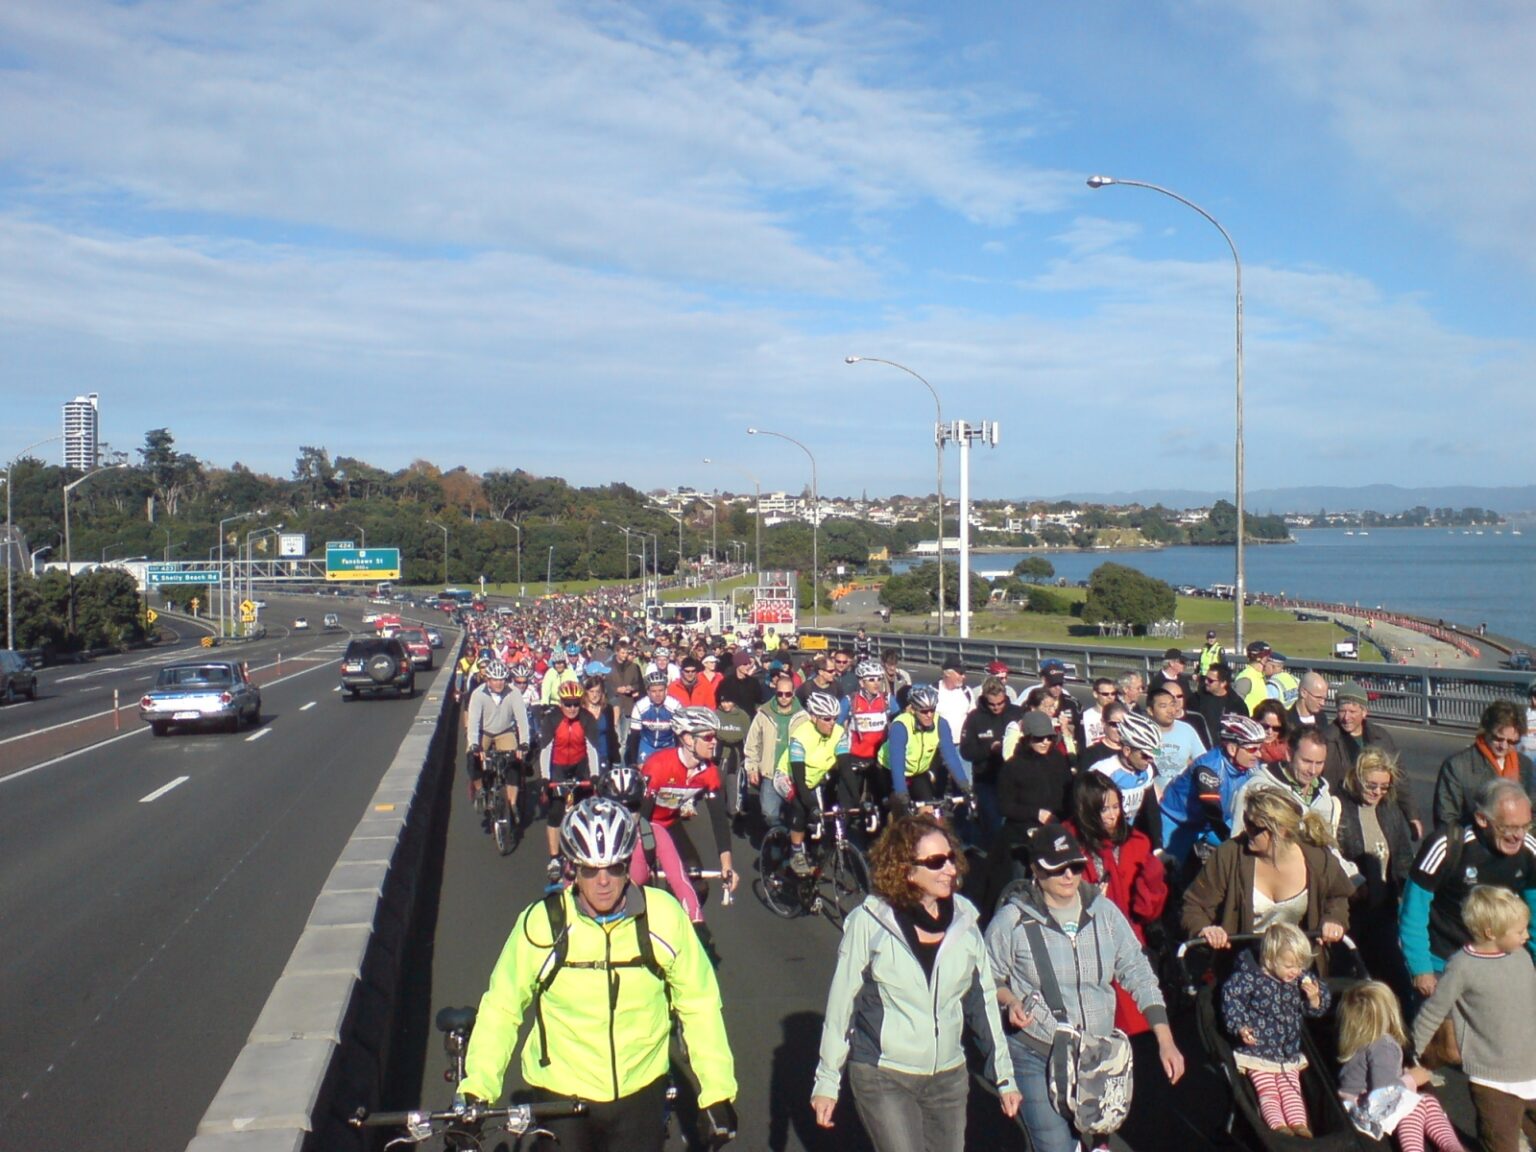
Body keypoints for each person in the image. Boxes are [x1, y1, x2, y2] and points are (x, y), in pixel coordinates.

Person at [458, 798, 738, 1152]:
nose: (603, 881)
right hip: (562, 1093)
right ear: (573, 868)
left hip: (640, 1091)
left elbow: (699, 1003)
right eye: (590, 870)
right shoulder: (543, 923)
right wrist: (477, 1090)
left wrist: (716, 1092)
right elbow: (503, 1006)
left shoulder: (663, 917)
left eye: (616, 868)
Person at [811, 815, 1021, 1150]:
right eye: (936, 862)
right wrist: (827, 1080)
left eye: (951, 857)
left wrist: (1004, 1075)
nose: (950, 869)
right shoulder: (870, 921)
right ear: (906, 870)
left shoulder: (965, 919)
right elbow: (842, 1004)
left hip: (949, 1078)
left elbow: (982, 1002)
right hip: (884, 1074)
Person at [986, 824, 1185, 1152]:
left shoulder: (1105, 913)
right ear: (1036, 870)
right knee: (1055, 1145)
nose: (1069, 875)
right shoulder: (1012, 920)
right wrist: (1009, 1001)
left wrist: (1165, 1039)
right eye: (1058, 868)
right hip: (1038, 1050)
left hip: (1096, 1053)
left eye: (1076, 866)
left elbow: (1138, 972)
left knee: (1095, 1133)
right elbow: (987, 977)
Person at [1412, 886, 1536, 1152]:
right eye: (1519, 931)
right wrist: (1414, 1052)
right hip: (1492, 1079)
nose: (1526, 935)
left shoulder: (1523, 958)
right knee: (1499, 1141)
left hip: (1532, 1068)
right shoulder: (1462, 966)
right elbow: (1434, 1010)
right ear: (1491, 933)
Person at [1398, 778, 1536, 998]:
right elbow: (1413, 910)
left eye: (1525, 826)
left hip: (1498, 967)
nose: (1518, 835)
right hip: (1444, 964)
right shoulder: (1448, 845)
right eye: (1508, 827)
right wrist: (1421, 969)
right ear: (1482, 819)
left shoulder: (1529, 851)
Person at [1182, 788, 1353, 947]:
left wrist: (1334, 919)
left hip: (1300, 962)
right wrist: (1205, 929)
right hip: (1242, 961)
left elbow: (1338, 897)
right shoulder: (1229, 855)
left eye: (1255, 828)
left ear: (1282, 830)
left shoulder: (1318, 859)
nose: (1246, 830)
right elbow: (1194, 905)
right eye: (1246, 821)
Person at [1065, 773, 1167, 1035]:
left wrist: (1153, 879)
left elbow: (1146, 912)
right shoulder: (1069, 845)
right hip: (1085, 950)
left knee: (1138, 1027)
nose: (1112, 816)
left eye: (1115, 807)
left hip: (1129, 945)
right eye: (1103, 809)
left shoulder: (1136, 843)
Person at [1220, 922, 1332, 1138]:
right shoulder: (1249, 978)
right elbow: (1232, 1000)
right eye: (1290, 966)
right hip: (1257, 1050)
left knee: (1292, 1089)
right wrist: (1240, 1026)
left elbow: (1316, 1010)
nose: (1295, 971)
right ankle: (1278, 1127)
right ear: (1270, 960)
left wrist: (1314, 998)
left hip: (1287, 1050)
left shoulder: (1298, 979)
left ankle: (1300, 1125)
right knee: (1268, 1091)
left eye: (1300, 966)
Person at [1336, 981, 1466, 1152]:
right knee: (1413, 1105)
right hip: (1368, 1112)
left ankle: (1451, 1146)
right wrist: (1411, 1079)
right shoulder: (1383, 1045)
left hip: (1353, 1108)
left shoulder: (1356, 1044)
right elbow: (1384, 1092)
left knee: (1428, 1100)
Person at [1336, 747, 1416, 1000]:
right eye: (1372, 785)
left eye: (1384, 787)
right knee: (1351, 981)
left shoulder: (1389, 810)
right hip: (1351, 912)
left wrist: (1405, 893)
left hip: (1384, 911)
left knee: (1396, 981)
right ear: (1357, 778)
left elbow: (1403, 855)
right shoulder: (1339, 806)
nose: (1377, 793)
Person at [639, 706, 739, 908]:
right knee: (642, 885)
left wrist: (727, 866)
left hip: (670, 823)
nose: (714, 743)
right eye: (708, 737)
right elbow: (642, 817)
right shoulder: (658, 766)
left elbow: (719, 821)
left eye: (715, 737)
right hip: (643, 825)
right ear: (688, 739)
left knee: (697, 886)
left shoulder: (710, 773)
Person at [1160, 713, 1268, 869]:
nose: (1258, 754)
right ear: (1232, 749)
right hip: (1178, 820)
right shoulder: (1209, 767)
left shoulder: (1252, 766)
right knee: (1169, 870)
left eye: (1260, 748)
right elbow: (1212, 810)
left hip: (1213, 822)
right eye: (1252, 749)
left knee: (1248, 853)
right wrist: (1229, 840)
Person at [1324, 682, 1418, 837]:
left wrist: (1412, 815)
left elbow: (1400, 779)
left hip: (1379, 814)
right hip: (1346, 818)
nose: (1346, 717)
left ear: (1364, 712)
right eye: (1342, 711)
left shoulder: (1381, 737)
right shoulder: (1327, 739)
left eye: (1352, 711)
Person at [1432, 699, 1535, 828]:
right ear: (1486, 731)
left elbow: (1532, 812)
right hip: (1474, 843)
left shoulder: (1525, 765)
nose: (1503, 746)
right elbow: (1446, 819)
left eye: (1511, 742)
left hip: (1516, 844)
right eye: (1498, 739)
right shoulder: (1456, 766)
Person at [539, 680, 605, 881]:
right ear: (561, 703)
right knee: (556, 812)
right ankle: (554, 858)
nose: (572, 708)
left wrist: (594, 776)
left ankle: (586, 846)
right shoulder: (551, 719)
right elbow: (545, 750)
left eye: (576, 703)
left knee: (586, 809)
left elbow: (592, 748)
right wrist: (545, 778)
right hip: (558, 767)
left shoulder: (586, 719)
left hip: (580, 765)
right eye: (568, 704)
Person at [785, 691, 854, 876]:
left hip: (815, 778)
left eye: (835, 718)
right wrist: (812, 806)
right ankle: (796, 851)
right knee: (801, 806)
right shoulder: (800, 736)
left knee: (822, 818)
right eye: (827, 718)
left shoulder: (839, 733)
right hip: (788, 777)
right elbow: (799, 782)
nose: (832, 723)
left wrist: (857, 801)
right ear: (814, 717)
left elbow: (846, 770)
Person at [1232, 726, 1341, 842]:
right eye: (1306, 761)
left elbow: (1329, 846)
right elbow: (1238, 841)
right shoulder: (1257, 788)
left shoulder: (1325, 797)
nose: (1313, 770)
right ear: (1289, 754)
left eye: (1319, 763)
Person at [879, 685, 969, 811]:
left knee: (928, 810)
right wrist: (901, 792)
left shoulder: (941, 724)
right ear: (913, 710)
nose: (929, 715)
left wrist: (965, 786)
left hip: (918, 773)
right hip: (890, 770)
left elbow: (950, 757)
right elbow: (897, 762)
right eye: (924, 711)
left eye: (932, 710)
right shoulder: (900, 726)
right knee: (899, 812)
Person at [465, 659, 532, 817]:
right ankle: (480, 789)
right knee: (471, 757)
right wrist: (475, 745)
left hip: (505, 731)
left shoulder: (513, 692)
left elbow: (522, 720)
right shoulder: (478, 694)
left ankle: (513, 803)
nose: (499, 683)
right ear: (488, 679)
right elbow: (473, 722)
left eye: (502, 679)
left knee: (515, 761)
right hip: (484, 732)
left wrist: (524, 743)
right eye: (495, 679)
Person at [960, 677, 1023, 841]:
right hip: (986, 780)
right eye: (992, 704)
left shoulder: (1017, 713)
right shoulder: (974, 718)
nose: (997, 708)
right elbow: (966, 751)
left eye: (1000, 703)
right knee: (994, 826)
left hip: (1014, 780)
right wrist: (989, 749)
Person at [743, 671, 801, 831]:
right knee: (769, 813)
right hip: (770, 772)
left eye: (788, 694)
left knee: (794, 815)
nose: (784, 697)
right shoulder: (763, 714)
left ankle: (791, 845)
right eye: (780, 693)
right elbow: (752, 742)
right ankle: (777, 838)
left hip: (793, 774)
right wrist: (752, 768)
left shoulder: (803, 716)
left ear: (793, 693)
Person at [1146, 683, 1204, 797]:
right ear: (1150, 710)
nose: (1170, 710)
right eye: (1163, 706)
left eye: (1172, 705)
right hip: (1153, 798)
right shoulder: (1144, 733)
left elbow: (1202, 760)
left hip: (1183, 797)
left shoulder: (1187, 730)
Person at [625, 671, 679, 767]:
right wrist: (634, 762)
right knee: (643, 772)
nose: (657, 694)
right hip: (647, 745)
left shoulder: (675, 706)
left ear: (666, 690)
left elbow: (679, 736)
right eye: (653, 691)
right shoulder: (640, 706)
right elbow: (634, 736)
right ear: (648, 692)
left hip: (668, 746)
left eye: (661, 690)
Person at [1232, 641, 1273, 714]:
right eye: (1267, 657)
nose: (1270, 659)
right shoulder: (1246, 678)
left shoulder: (1259, 676)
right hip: (1248, 723)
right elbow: (1234, 708)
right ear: (1258, 659)